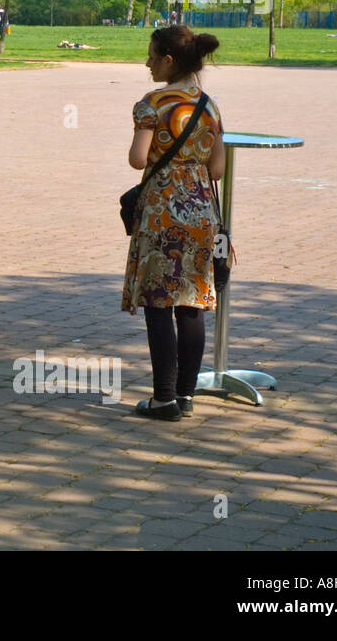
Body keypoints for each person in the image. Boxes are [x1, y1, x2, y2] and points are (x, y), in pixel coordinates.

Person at [123, 25, 225, 421]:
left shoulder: (152, 104)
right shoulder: (210, 106)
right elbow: (216, 169)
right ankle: (185, 395)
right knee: (192, 303)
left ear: (169, 59)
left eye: (151, 55)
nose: (146, 63)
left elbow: (137, 159)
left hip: (162, 209)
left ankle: (162, 398)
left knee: (158, 301)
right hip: (201, 210)